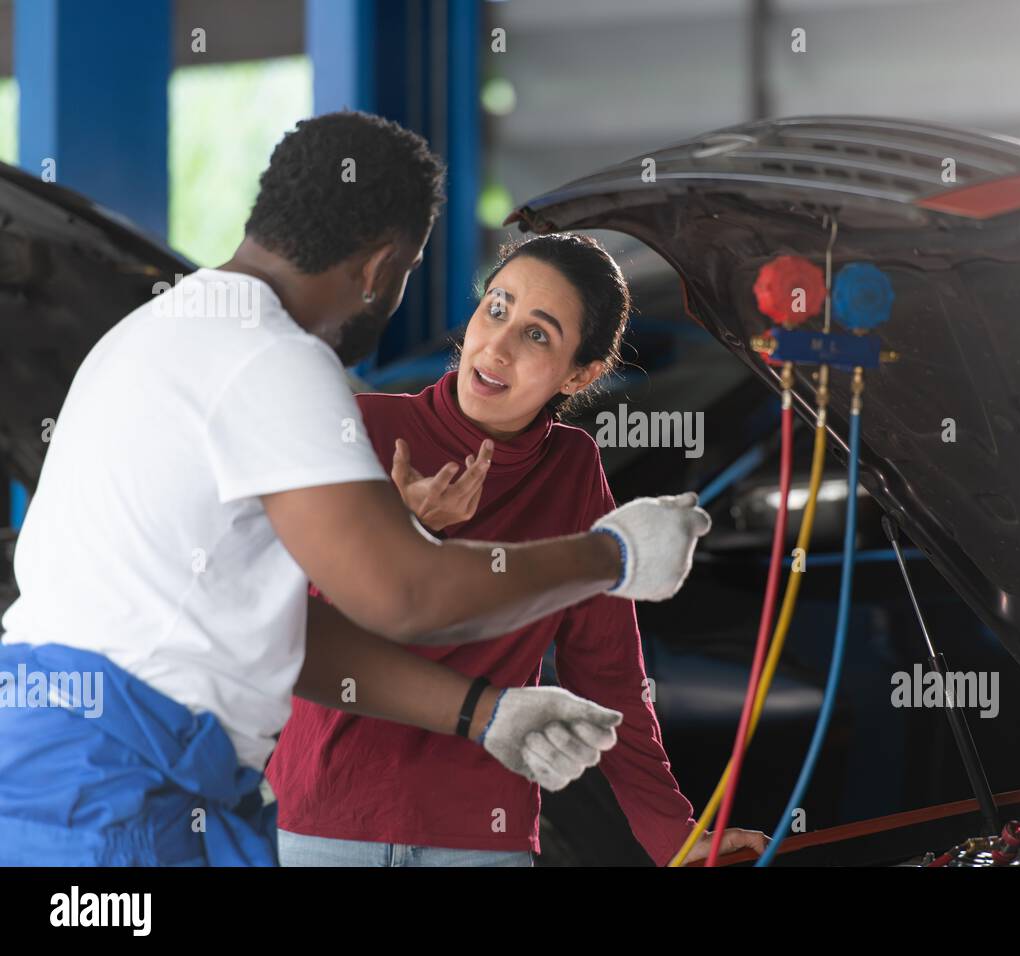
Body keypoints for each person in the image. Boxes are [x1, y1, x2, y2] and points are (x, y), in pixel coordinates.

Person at [0, 111, 710, 866]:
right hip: (124, 796)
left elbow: (280, 633)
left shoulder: (149, 336)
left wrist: (482, 714)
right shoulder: (275, 359)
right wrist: (614, 556)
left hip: (69, 766)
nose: (495, 341)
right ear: (380, 268)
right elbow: (404, 594)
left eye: (536, 333)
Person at [269, 233, 767, 867]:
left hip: (479, 835)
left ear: (581, 373)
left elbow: (607, 671)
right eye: (497, 308)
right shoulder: (359, 427)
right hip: (324, 823)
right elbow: (291, 630)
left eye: (539, 334)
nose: (498, 346)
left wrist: (676, 834)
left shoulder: (572, 469)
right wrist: (407, 531)